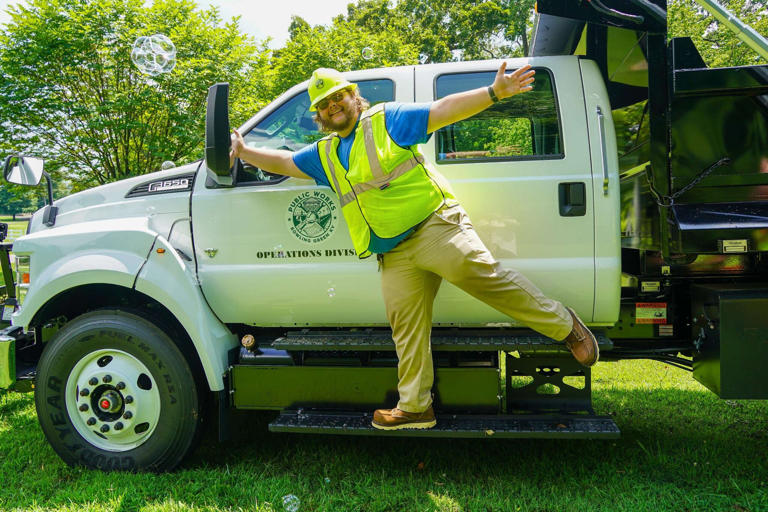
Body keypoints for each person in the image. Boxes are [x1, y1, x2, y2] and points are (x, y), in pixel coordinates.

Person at [230, 63, 599, 431]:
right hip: (394, 252)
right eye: (324, 104)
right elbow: (283, 161)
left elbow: (442, 110)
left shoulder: (386, 120)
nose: (333, 106)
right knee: (405, 327)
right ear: (319, 116)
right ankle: (416, 407)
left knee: (483, 276)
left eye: (338, 97)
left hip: (435, 226)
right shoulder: (324, 154)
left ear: (353, 97)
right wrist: (244, 150)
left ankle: (566, 326)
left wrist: (493, 93)